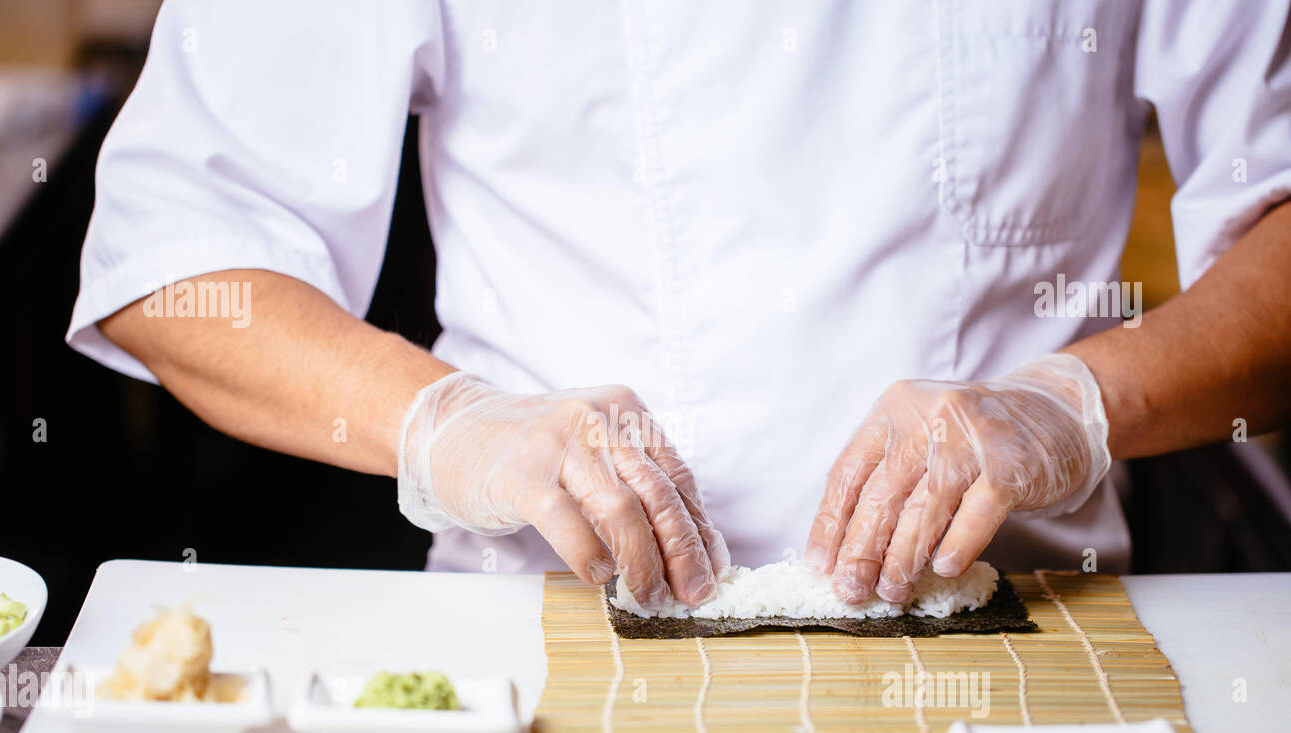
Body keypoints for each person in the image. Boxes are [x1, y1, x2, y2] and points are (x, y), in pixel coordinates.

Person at [70, 1, 1291, 609]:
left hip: (1020, 645)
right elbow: (175, 257)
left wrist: (1072, 403)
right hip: (544, 656)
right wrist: (451, 426)